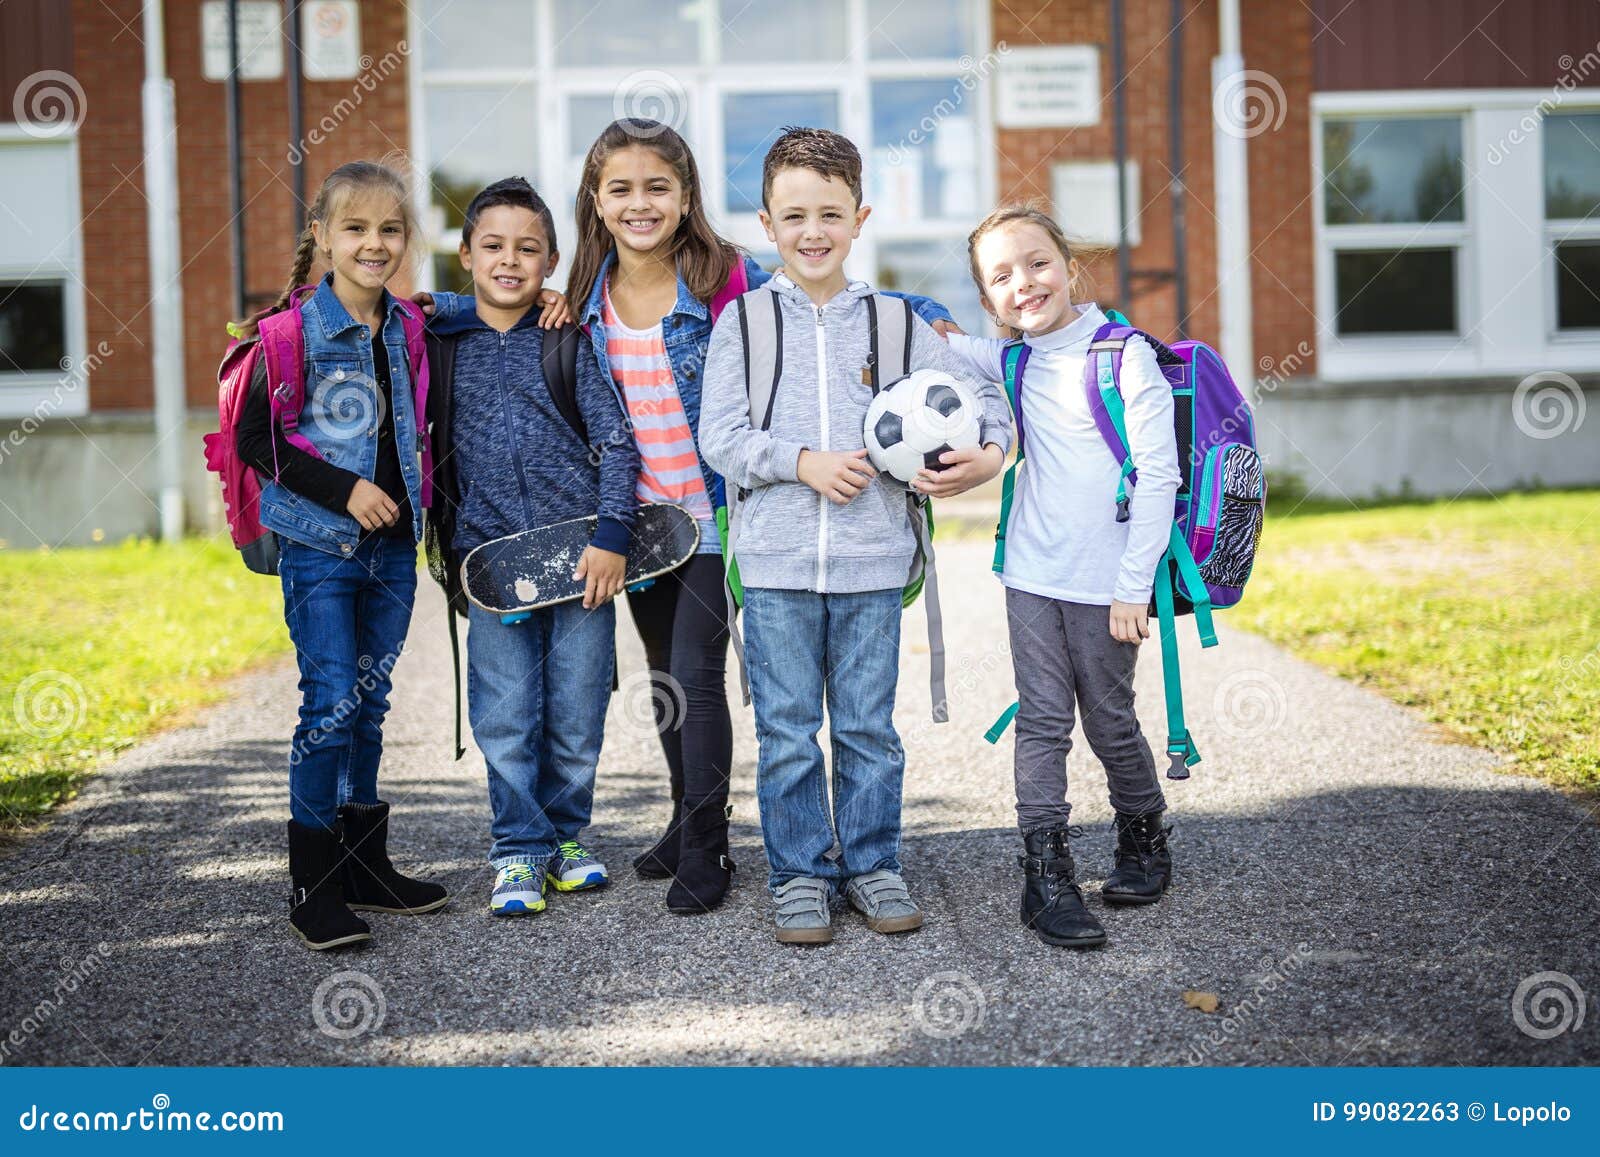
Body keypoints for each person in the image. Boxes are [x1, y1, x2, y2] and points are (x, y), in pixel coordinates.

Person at [698, 127, 1011, 944]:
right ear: (766, 224)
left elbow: (987, 399)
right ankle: (800, 872)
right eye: (794, 214)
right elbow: (721, 437)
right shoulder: (743, 324)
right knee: (789, 730)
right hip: (773, 566)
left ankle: (873, 862)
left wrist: (987, 458)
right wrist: (801, 462)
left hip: (875, 561)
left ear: (860, 218)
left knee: (868, 726)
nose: (813, 231)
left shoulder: (900, 322)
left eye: (831, 213)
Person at [944, 204, 1182, 949]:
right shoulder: (1010, 358)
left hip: (1108, 584)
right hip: (1030, 573)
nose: (1025, 283)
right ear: (989, 300)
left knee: (1111, 721)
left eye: (1037, 262)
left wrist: (1133, 585)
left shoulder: (1120, 355)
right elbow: (934, 338)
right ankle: (1045, 874)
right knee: (1042, 719)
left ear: (1070, 265)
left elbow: (1159, 474)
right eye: (1002, 276)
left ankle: (1143, 836)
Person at [234, 159, 447, 950]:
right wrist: (345, 490)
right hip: (321, 548)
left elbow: (473, 305)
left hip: (390, 551)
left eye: (390, 229)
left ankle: (364, 865)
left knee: (370, 700)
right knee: (329, 703)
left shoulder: (409, 324)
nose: (375, 243)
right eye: (356, 228)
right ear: (322, 235)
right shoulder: (288, 334)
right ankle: (312, 885)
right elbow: (256, 438)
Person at [423, 177, 639, 916]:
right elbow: (401, 308)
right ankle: (518, 849)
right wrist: (443, 306)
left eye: (527, 249)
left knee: (577, 710)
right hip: (490, 565)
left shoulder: (568, 341)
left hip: (583, 559)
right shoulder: (439, 342)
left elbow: (616, 441)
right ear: (465, 255)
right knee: (507, 712)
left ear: (550, 261)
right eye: (493, 246)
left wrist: (613, 536)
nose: (509, 261)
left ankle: (566, 836)